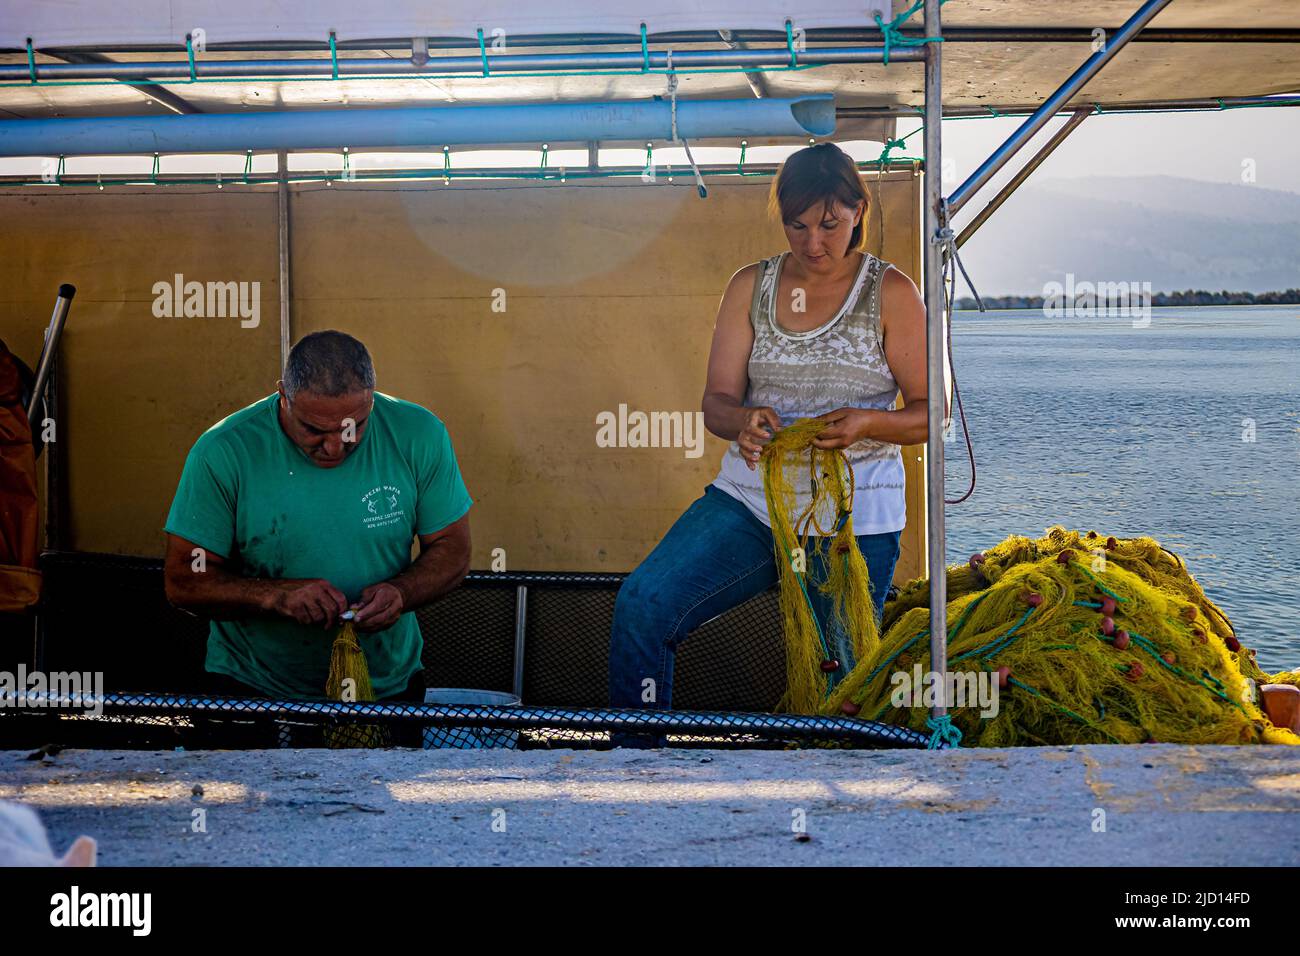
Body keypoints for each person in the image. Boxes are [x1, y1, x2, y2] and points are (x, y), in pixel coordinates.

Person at [608, 143, 937, 731]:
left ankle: (842, 801)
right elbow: (716, 404)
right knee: (646, 603)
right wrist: (744, 421)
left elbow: (929, 415)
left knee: (839, 678)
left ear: (859, 210)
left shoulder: (891, 293)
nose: (814, 243)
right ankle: (640, 763)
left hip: (851, 520)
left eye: (830, 225)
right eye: (798, 226)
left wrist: (868, 423)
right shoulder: (749, 287)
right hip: (750, 503)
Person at [163, 330, 472, 742]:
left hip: (385, 686)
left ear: (372, 398)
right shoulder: (223, 451)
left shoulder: (420, 434)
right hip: (253, 692)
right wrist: (275, 596)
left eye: (354, 427)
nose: (335, 447)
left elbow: (453, 550)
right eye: (313, 430)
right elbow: (184, 579)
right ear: (282, 397)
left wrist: (401, 593)